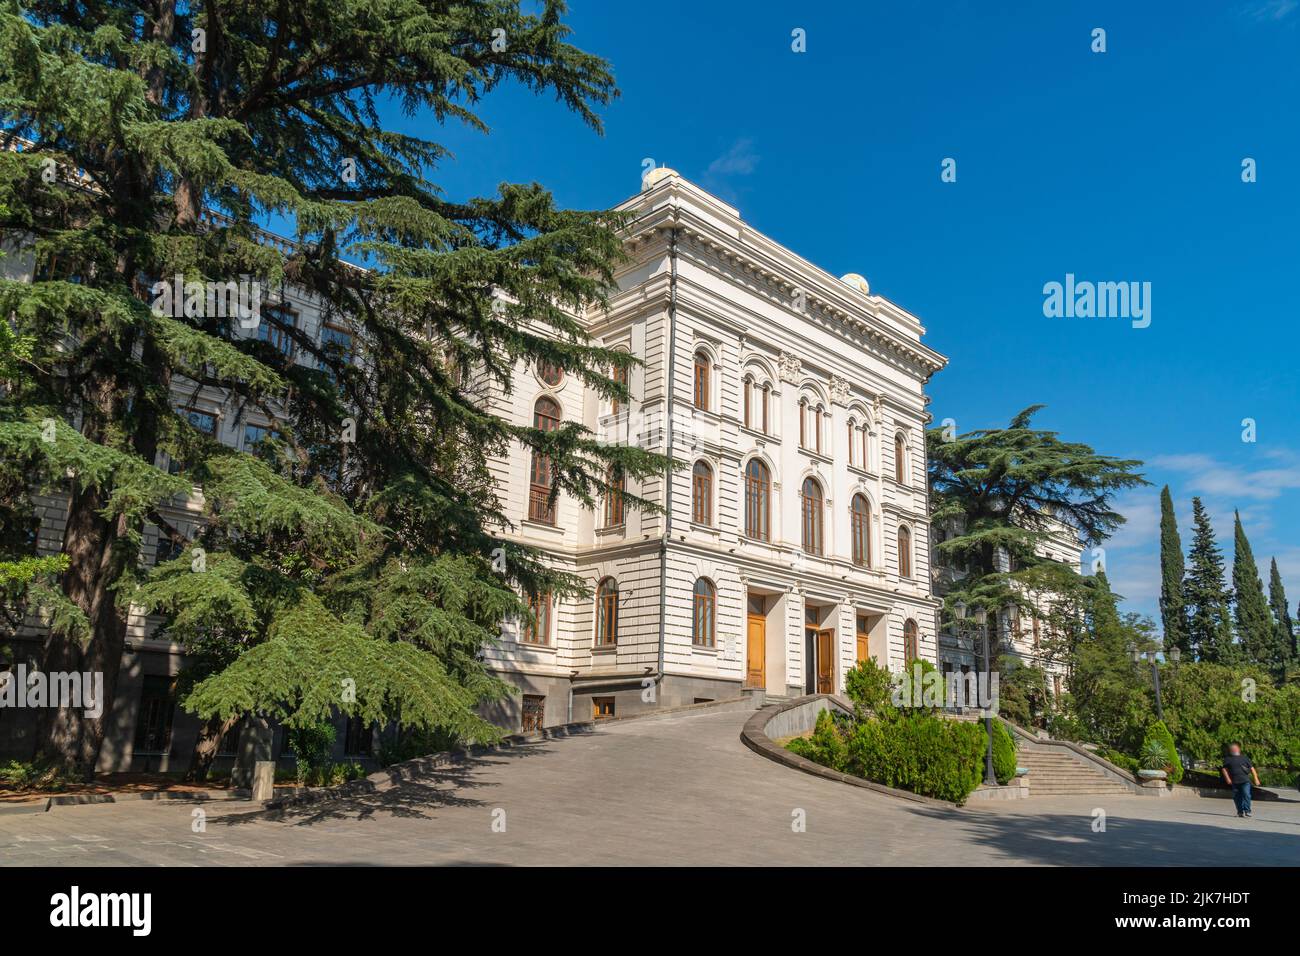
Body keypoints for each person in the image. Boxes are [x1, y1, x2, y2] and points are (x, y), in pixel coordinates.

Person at [1220, 743, 1260, 818]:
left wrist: (1256, 778)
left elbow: (1252, 768)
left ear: (1238, 749)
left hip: (1245, 781)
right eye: (1232, 748)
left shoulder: (1245, 758)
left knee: (1246, 795)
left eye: (1235, 748)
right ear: (1230, 750)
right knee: (1237, 797)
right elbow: (1224, 769)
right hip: (1235, 782)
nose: (1234, 749)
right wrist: (1227, 778)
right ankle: (1240, 812)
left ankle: (1247, 811)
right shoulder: (1228, 759)